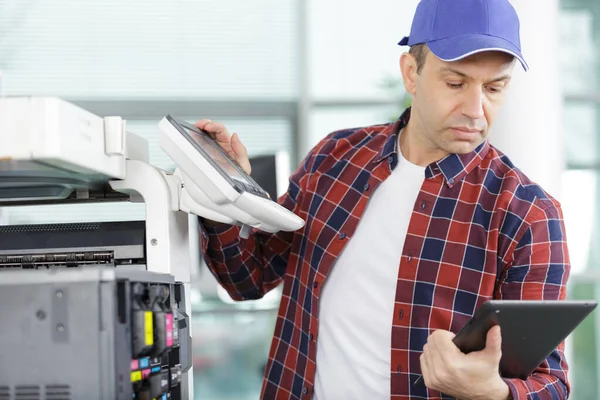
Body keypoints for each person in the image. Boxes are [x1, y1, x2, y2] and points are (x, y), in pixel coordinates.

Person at [196, 0, 571, 399]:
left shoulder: (529, 215)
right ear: (411, 73)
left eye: (494, 87)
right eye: (455, 83)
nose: (476, 110)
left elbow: (551, 384)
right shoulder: (334, 159)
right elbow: (248, 280)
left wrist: (494, 393)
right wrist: (226, 194)